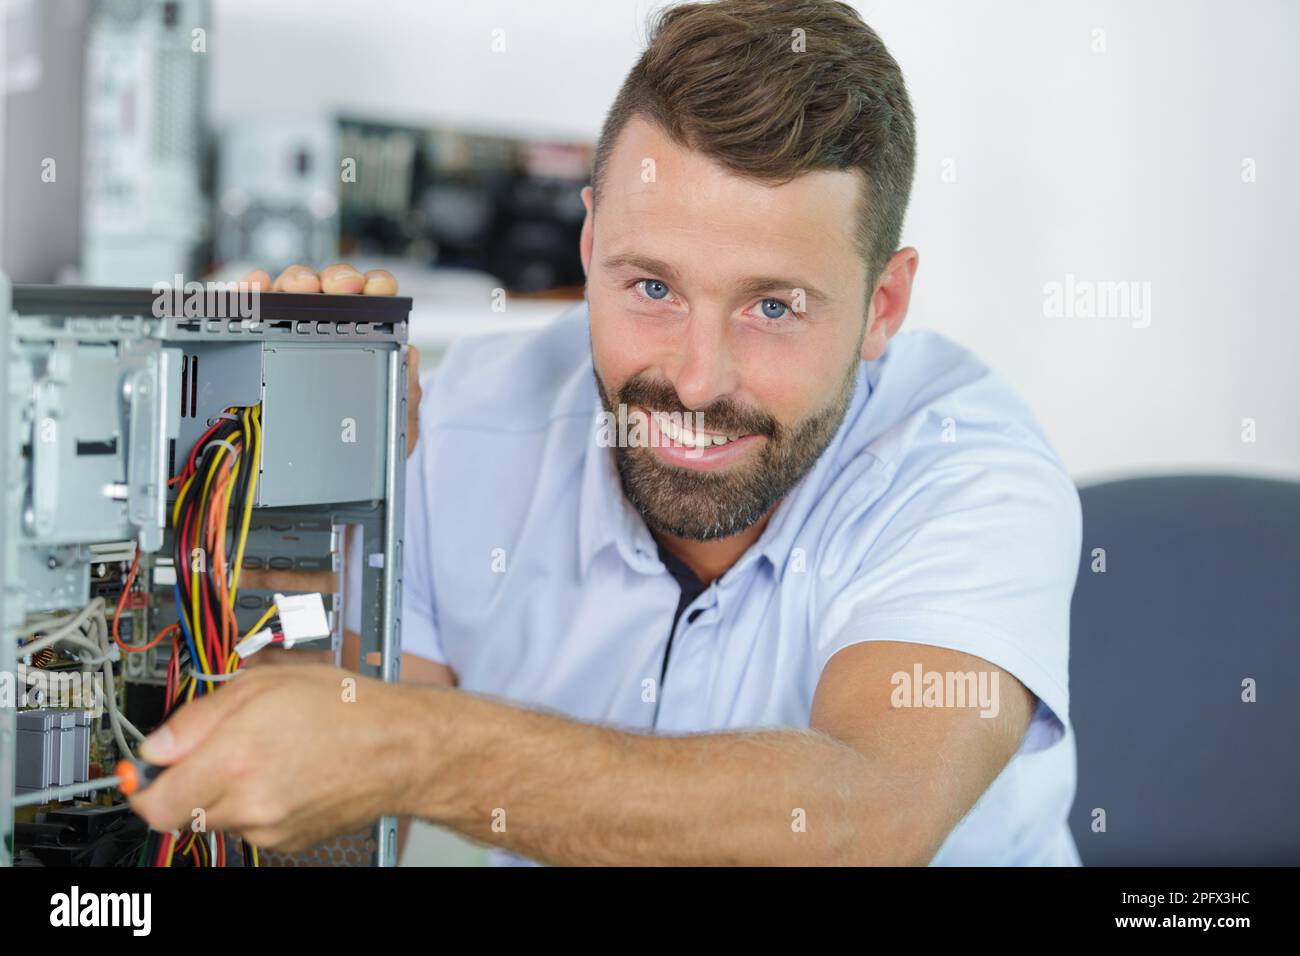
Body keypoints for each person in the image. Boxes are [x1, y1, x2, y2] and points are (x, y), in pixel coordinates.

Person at [129, 0, 1082, 866]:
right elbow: (328, 820)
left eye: (775, 307)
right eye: (653, 287)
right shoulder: (458, 432)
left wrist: (411, 748)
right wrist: (308, 518)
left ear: (884, 305)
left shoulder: (970, 475)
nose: (697, 381)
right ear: (589, 248)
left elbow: (869, 822)